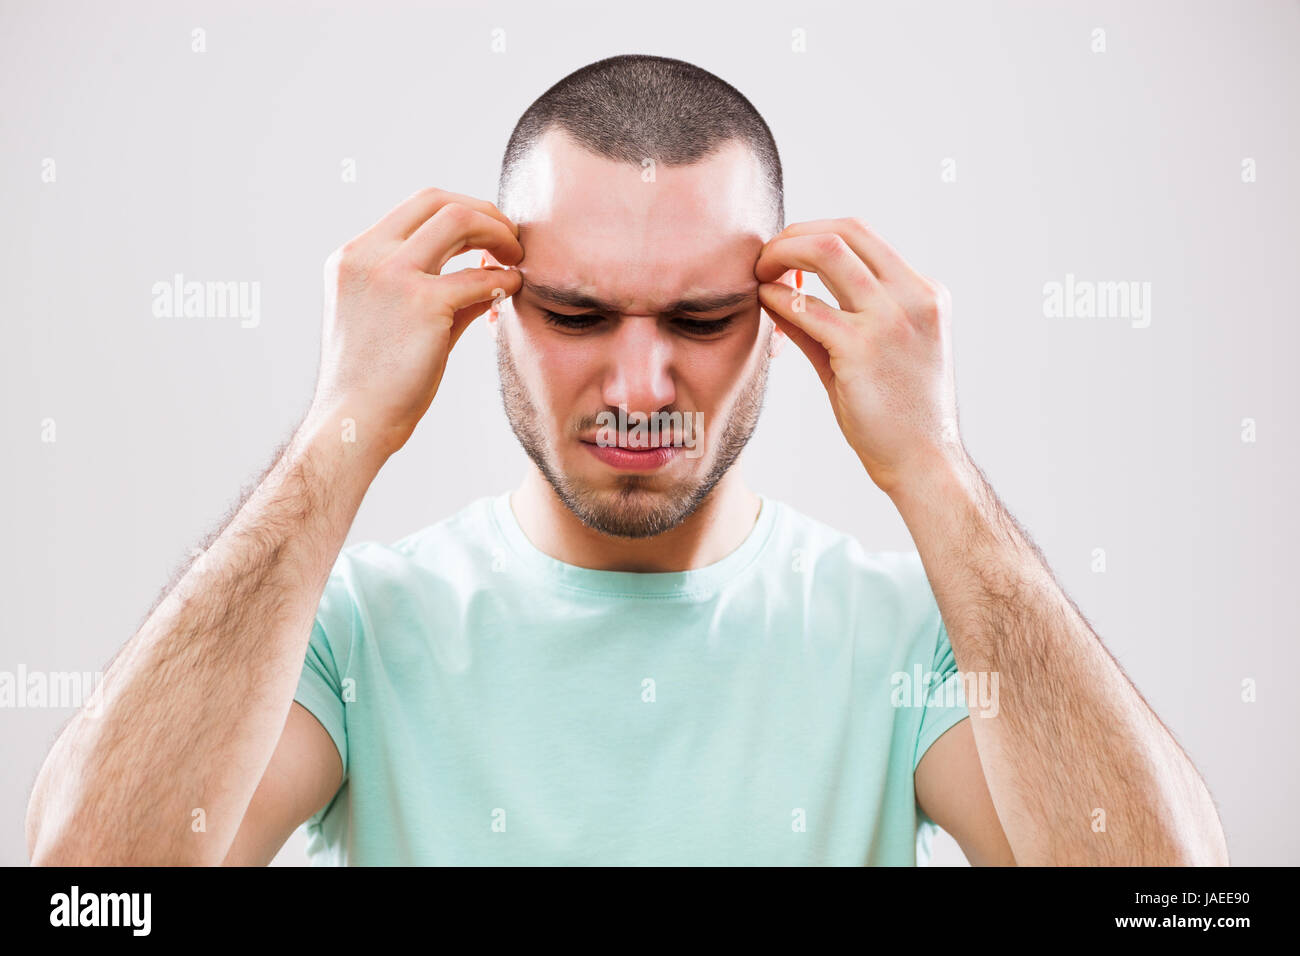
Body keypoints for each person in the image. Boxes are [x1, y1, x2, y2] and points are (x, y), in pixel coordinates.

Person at [25, 54, 1228, 866]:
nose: (642, 387)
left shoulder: (907, 637)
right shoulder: (351, 634)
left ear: (783, 315)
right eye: (577, 315)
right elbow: (88, 885)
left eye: (701, 321)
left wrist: (934, 465)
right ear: (488, 305)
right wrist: (340, 427)